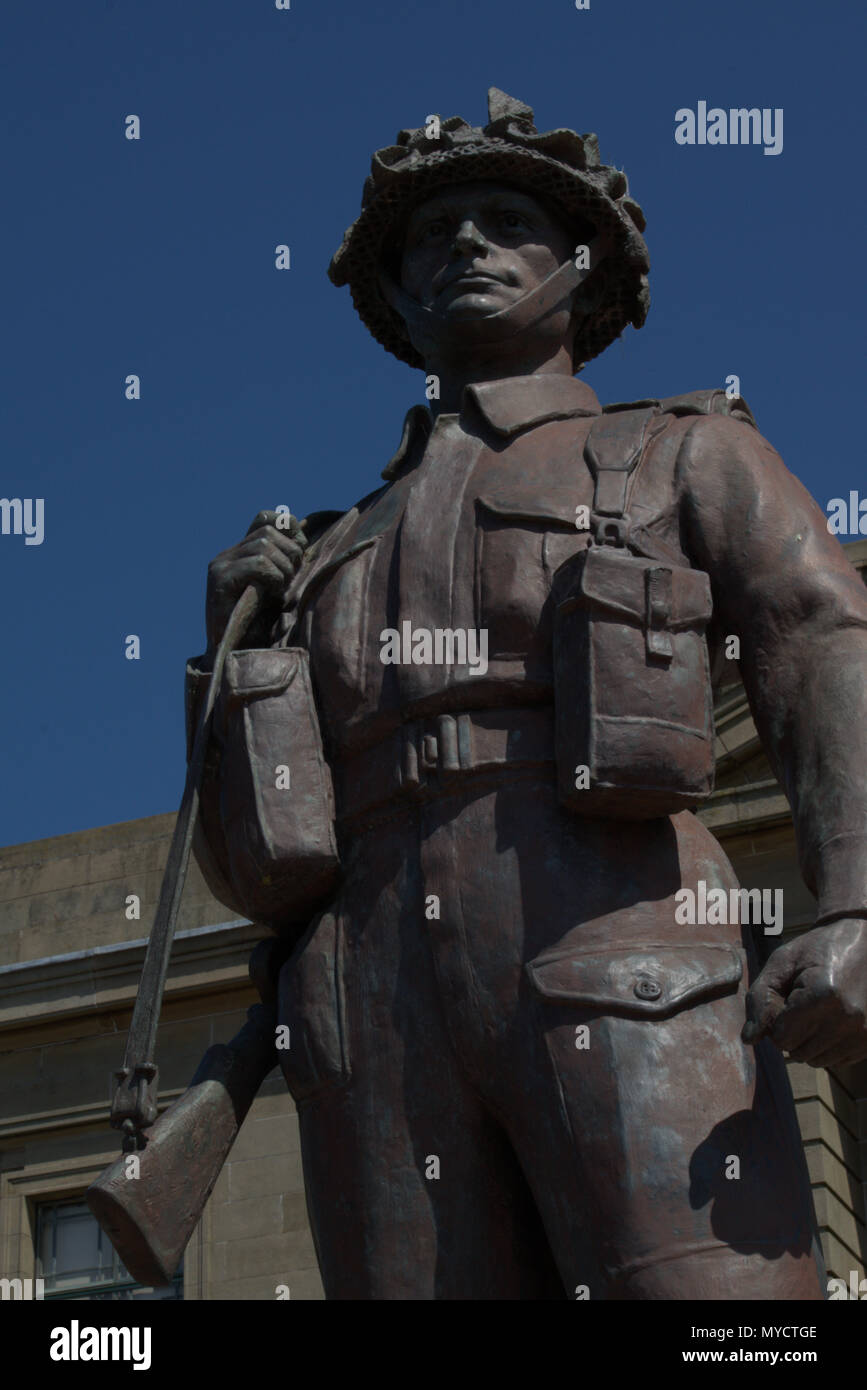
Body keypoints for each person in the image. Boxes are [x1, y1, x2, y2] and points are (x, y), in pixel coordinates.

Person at [186, 89, 867, 1299]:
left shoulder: (683, 451)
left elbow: (821, 645)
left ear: (583, 266)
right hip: (375, 1008)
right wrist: (227, 655)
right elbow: (257, 870)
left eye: (506, 219)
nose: (464, 245)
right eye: (432, 234)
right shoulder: (321, 556)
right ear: (395, 296)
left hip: (622, 942)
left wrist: (858, 904)